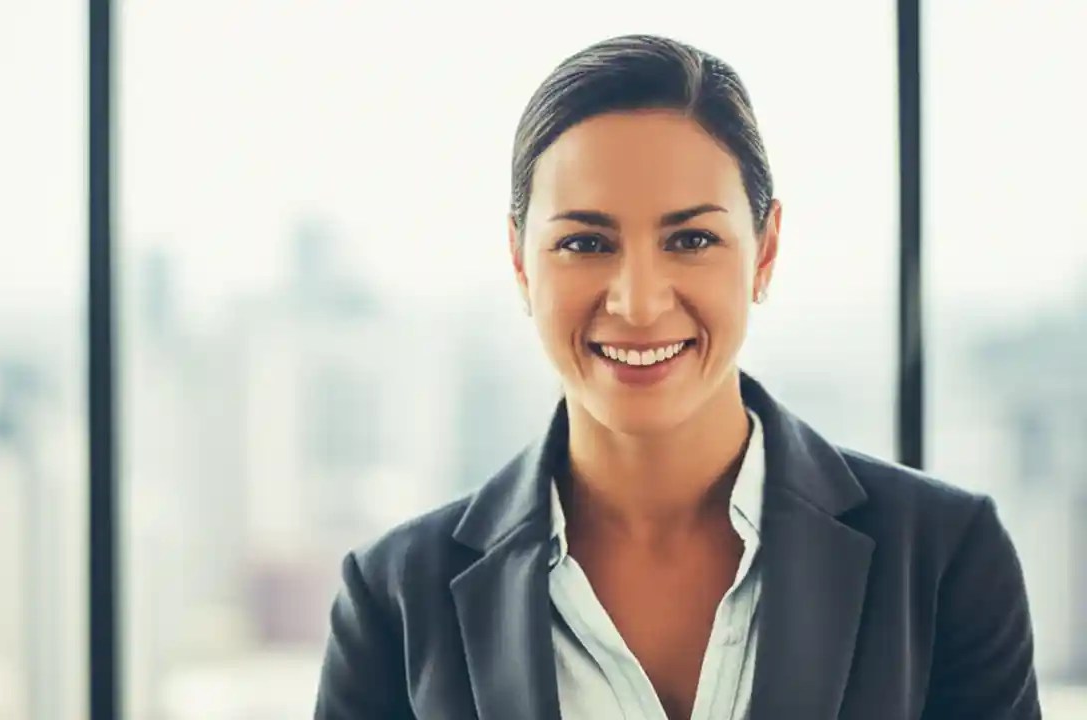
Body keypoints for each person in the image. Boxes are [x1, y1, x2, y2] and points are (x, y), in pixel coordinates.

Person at [313, 34, 1040, 720]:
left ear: (765, 251)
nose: (638, 301)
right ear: (518, 262)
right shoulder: (396, 600)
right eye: (585, 242)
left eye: (691, 239)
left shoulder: (944, 558)